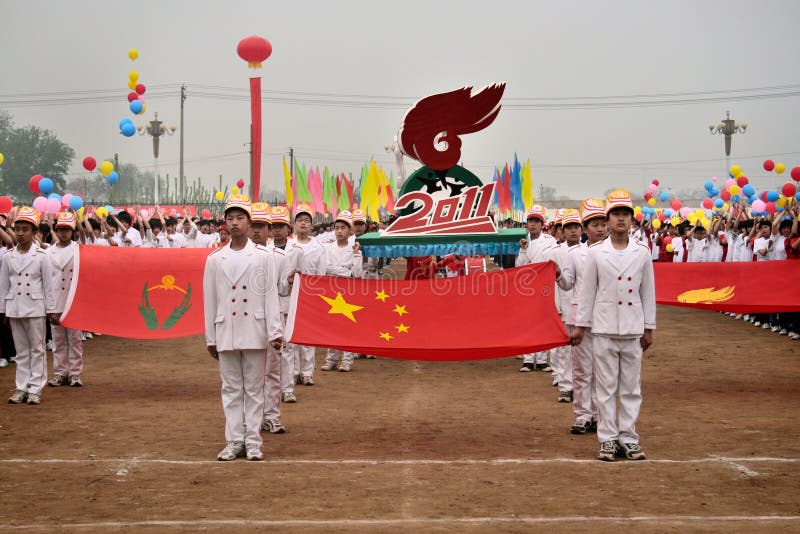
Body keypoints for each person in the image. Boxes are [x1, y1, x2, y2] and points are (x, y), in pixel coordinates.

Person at [571, 189, 655, 462]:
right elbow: (587, 292)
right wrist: (581, 326)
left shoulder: (642, 252)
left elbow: (648, 292)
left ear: (632, 220)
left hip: (632, 327)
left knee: (631, 388)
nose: (621, 219)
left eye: (625, 215)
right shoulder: (596, 253)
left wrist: (648, 327)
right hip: (604, 327)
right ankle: (607, 439)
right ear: (608, 220)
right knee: (605, 387)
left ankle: (629, 437)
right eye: (616, 214)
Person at [203, 195, 283, 461]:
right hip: (226, 329)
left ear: (249, 223)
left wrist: (275, 332)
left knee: (254, 389)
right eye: (230, 218)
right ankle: (234, 440)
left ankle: (253, 442)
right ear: (224, 224)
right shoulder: (215, 258)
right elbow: (210, 300)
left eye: (240, 218)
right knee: (230, 388)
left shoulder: (263, 257)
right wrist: (210, 337)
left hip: (254, 328)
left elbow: (270, 295)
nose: (235, 223)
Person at [558, 198, 608, 434]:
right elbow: (568, 284)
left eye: (602, 224)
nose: (599, 228)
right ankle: (582, 415)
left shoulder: (613, 253)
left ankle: (600, 414)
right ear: (585, 228)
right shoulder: (575, 254)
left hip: (606, 317)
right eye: (594, 224)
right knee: (581, 369)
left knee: (603, 370)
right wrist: (558, 275)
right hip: (579, 318)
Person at [0, 207, 58, 405]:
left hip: (35, 307)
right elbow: (3, 285)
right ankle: (21, 387)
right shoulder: (8, 257)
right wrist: (2, 309)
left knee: (37, 349)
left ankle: (35, 388)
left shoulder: (42, 256)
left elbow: (49, 286)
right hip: (15, 306)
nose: (20, 233)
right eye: (17, 229)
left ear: (35, 233)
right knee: (21, 351)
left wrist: (51, 310)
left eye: (25, 229)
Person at [269, 205, 307, 403]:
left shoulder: (297, 251)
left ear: (287, 229)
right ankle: (270, 389)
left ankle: (288, 388)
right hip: (267, 306)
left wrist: (294, 280)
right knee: (269, 350)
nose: (276, 230)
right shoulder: (264, 250)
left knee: (288, 347)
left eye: (280, 226)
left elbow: (304, 277)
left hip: (288, 303)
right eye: (273, 226)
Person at [289, 204, 326, 392]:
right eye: (300, 220)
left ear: (311, 225)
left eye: (306, 221)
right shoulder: (288, 245)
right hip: (291, 293)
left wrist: (319, 294)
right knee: (293, 335)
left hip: (310, 294)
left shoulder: (318, 247)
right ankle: (294, 371)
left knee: (308, 335)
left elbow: (321, 273)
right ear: (294, 224)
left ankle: (307, 372)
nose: (303, 224)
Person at [320, 210, 363, 372]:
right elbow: (326, 267)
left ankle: (347, 359)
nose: (339, 231)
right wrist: (345, 271)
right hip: (332, 289)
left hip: (349, 290)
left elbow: (357, 273)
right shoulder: (328, 248)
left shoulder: (355, 248)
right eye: (336, 228)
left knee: (348, 325)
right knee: (332, 325)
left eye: (343, 228)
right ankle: (331, 358)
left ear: (350, 231)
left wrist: (356, 256)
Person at [516, 204, 557, 372]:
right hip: (528, 287)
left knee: (543, 321)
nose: (532, 224)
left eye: (536, 221)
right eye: (530, 221)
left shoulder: (550, 241)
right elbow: (519, 266)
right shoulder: (524, 242)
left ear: (542, 225)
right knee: (528, 322)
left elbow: (554, 261)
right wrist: (524, 250)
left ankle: (541, 360)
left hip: (545, 285)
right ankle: (527, 359)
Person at [46, 212, 85, 387]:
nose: (63, 233)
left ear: (73, 231)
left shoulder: (79, 250)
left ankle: (75, 374)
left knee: (75, 340)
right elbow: (46, 281)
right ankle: (61, 373)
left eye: (67, 230)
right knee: (58, 340)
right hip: (55, 301)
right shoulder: (48, 252)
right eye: (60, 229)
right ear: (56, 230)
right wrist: (49, 308)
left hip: (73, 301)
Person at [550, 208, 582, 402]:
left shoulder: (589, 251)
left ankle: (579, 386)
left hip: (583, 309)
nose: (572, 231)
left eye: (575, 227)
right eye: (568, 228)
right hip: (561, 305)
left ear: (581, 229)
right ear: (562, 231)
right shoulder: (554, 253)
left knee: (583, 351)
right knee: (564, 349)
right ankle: (565, 386)